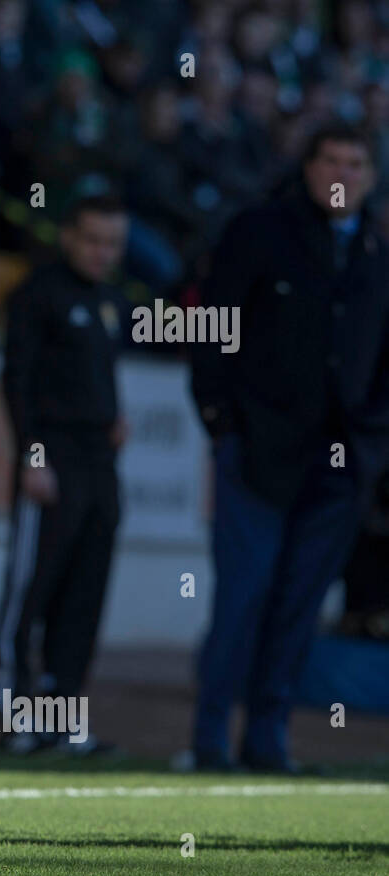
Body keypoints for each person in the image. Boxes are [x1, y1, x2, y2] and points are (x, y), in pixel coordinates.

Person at [188, 125, 389, 773]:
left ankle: (269, 740)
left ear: (372, 175)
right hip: (257, 453)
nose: (343, 173)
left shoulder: (378, 252)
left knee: (299, 607)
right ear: (306, 167)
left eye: (355, 163)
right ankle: (210, 738)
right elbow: (210, 325)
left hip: (340, 469)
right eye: (330, 159)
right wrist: (221, 422)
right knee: (242, 598)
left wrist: (372, 447)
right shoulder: (259, 231)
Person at [0, 194, 130, 755]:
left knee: (85, 594)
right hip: (51, 459)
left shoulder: (112, 300)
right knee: (31, 588)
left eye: (113, 244)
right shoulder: (36, 295)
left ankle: (63, 717)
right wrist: (32, 456)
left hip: (101, 464)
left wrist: (115, 418)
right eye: (94, 240)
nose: (103, 253)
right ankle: (10, 714)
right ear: (69, 236)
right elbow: (16, 382)